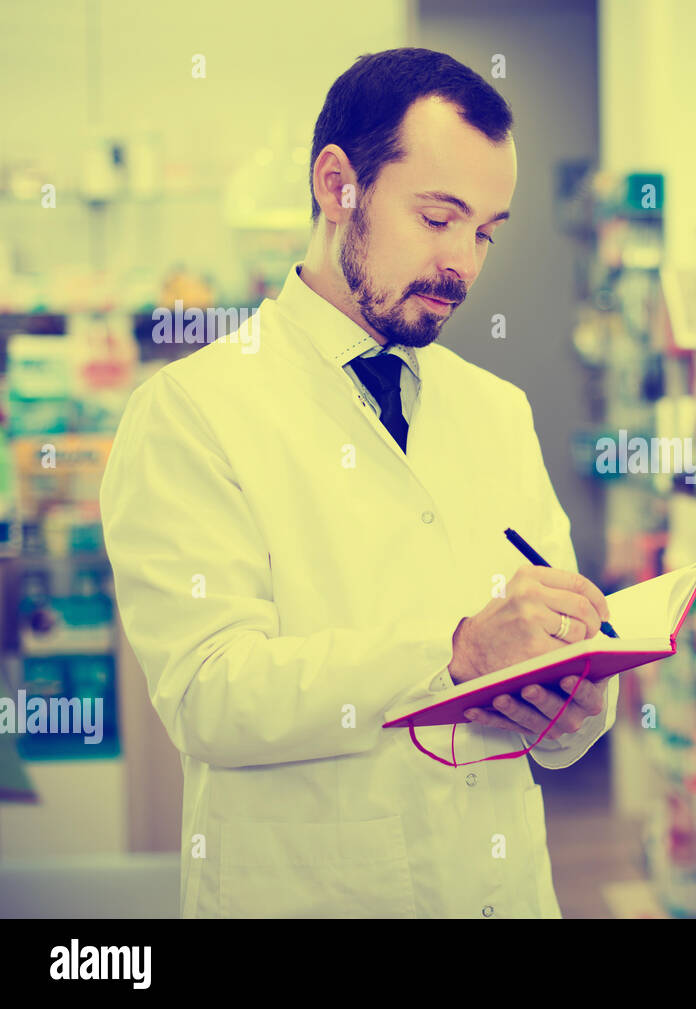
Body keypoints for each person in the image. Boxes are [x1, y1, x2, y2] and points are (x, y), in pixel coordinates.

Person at [100, 48, 617, 918]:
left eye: (485, 231)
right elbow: (209, 694)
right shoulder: (191, 411)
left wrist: (577, 699)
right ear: (338, 185)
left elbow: (560, 669)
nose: (462, 264)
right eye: (438, 217)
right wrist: (453, 655)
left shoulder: (497, 410)